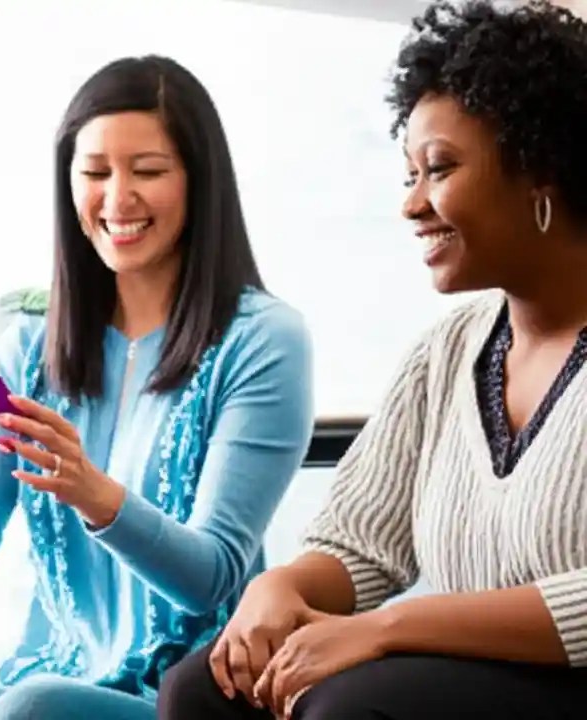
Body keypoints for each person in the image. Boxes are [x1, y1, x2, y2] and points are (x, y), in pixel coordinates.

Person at [157, 2, 587, 718]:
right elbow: (361, 543)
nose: (412, 206)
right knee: (206, 688)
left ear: (541, 166)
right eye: (408, 174)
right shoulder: (449, 351)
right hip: (470, 678)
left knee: (352, 704)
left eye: (439, 169)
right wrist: (283, 589)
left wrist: (383, 630)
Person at [0, 55, 315, 719]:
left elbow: (212, 578)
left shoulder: (263, 340)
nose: (117, 199)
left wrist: (94, 494)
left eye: (147, 171)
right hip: (61, 673)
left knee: (27, 711)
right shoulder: (30, 347)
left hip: (195, 696)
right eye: (94, 173)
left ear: (199, 182)